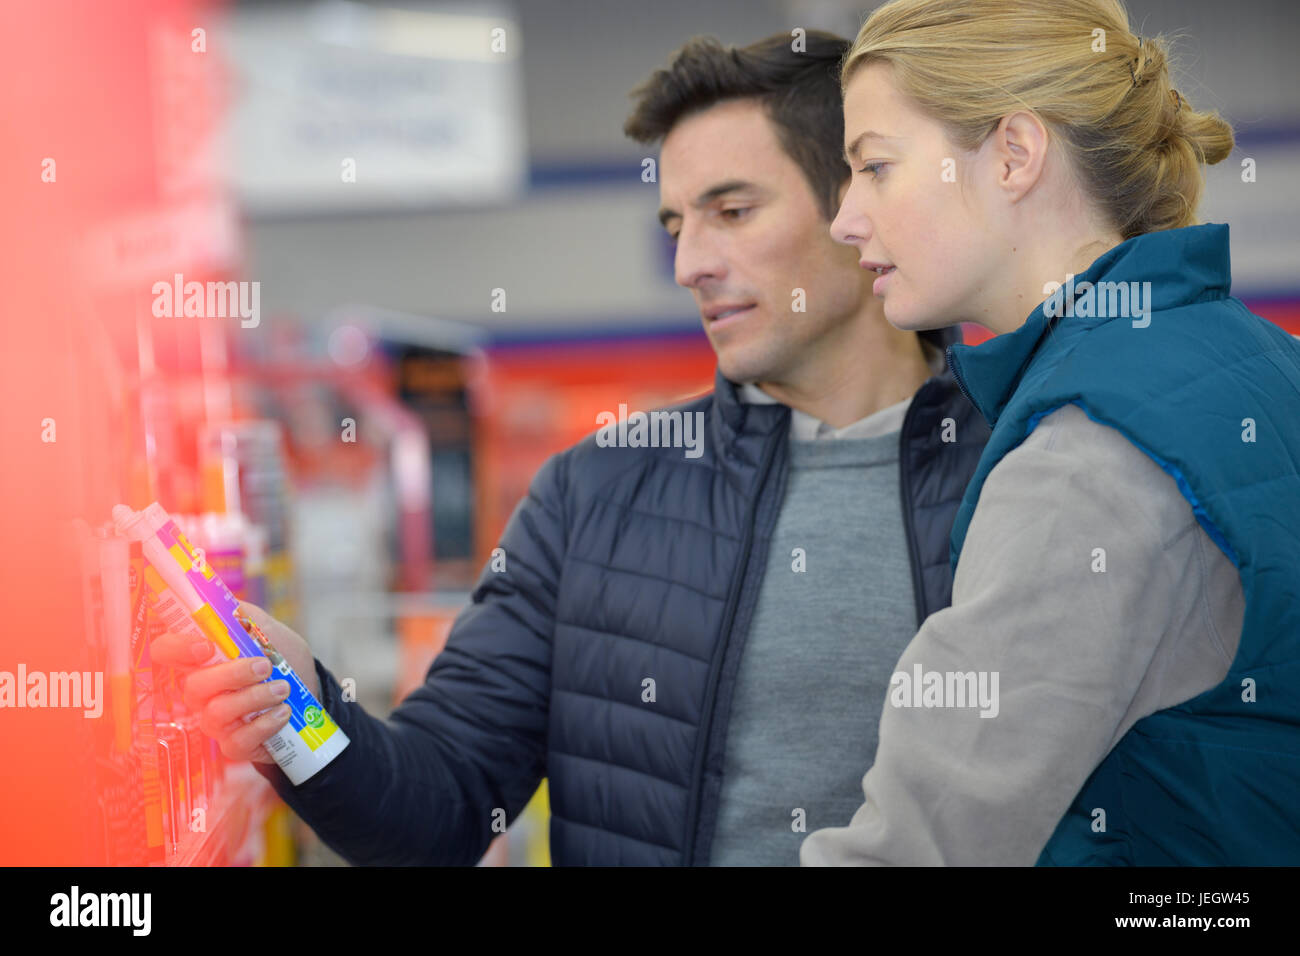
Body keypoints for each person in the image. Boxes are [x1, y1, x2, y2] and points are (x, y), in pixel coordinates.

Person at [152, 30, 989, 866]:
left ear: (859, 206)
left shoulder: (1022, 468)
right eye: (676, 223)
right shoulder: (591, 500)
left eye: (733, 212)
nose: (690, 263)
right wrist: (308, 709)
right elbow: (437, 811)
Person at [801, 0, 1300, 866]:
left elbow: (918, 851)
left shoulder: (1089, 452)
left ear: (1014, 155)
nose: (845, 218)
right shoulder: (1266, 364)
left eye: (875, 166)